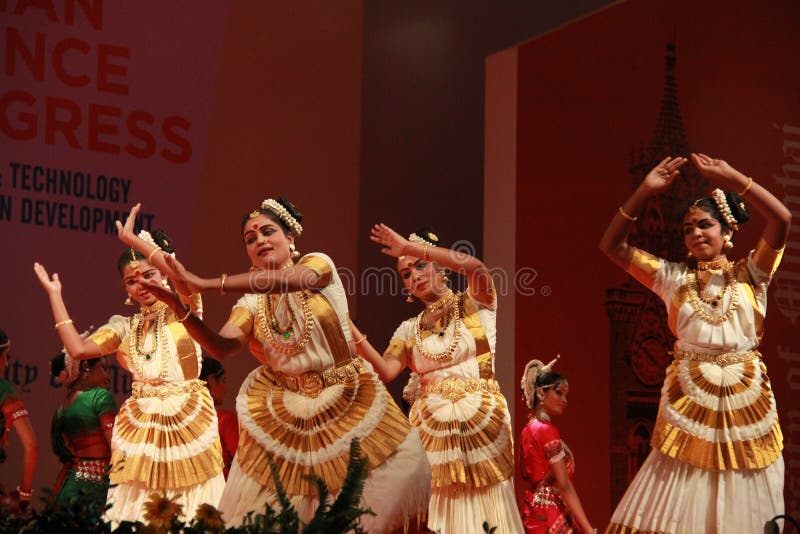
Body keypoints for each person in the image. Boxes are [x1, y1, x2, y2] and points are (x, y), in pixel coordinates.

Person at [139, 197, 431, 531]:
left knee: (382, 490)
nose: (260, 240)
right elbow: (222, 347)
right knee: (289, 513)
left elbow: (294, 280)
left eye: (268, 232)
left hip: (347, 401)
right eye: (251, 239)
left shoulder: (318, 266)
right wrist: (179, 306)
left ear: (290, 238)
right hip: (289, 416)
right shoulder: (250, 303)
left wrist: (207, 283)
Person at [599, 154, 790, 533]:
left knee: (746, 484)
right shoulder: (672, 279)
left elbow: (782, 219)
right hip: (691, 404)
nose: (696, 233)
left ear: (727, 232)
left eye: (705, 225)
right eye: (688, 229)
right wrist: (645, 191)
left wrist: (735, 177)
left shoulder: (752, 275)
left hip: (746, 402)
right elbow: (612, 246)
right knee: (685, 489)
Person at [33, 221, 224, 524]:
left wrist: (134, 240)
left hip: (188, 418)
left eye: (150, 275)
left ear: (164, 274)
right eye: (132, 281)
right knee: (136, 509)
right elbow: (78, 350)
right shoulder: (124, 326)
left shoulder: (185, 308)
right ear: (125, 288)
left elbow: (179, 273)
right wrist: (55, 295)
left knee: (190, 506)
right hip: (142, 426)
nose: (142, 285)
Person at [350, 225, 524, 534]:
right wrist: (347, 325)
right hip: (430, 433)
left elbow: (475, 267)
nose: (414, 274)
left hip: (480, 426)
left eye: (419, 265)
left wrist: (409, 248)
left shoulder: (477, 301)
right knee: (434, 511)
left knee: (484, 507)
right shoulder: (408, 329)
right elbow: (385, 370)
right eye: (406, 273)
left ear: (441, 266)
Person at [519, 357, 594, 534]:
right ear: (541, 393)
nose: (564, 400)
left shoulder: (528, 429)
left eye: (566, 395)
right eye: (559, 393)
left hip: (535, 513)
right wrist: (589, 529)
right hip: (550, 514)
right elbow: (564, 485)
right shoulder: (546, 430)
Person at [49, 350, 116, 510]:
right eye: (103, 368)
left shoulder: (61, 410)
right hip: (97, 488)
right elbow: (116, 447)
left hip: (69, 487)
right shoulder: (100, 396)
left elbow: (60, 450)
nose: (107, 377)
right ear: (85, 366)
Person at [0, 329, 39, 508]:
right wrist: (24, 494)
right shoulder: (4, 390)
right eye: (6, 357)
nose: (7, 364)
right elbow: (31, 445)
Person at [199, 356, 238, 479]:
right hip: (220, 492)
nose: (225, 388)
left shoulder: (181, 421)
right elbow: (245, 462)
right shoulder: (224, 420)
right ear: (211, 381)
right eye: (224, 380)